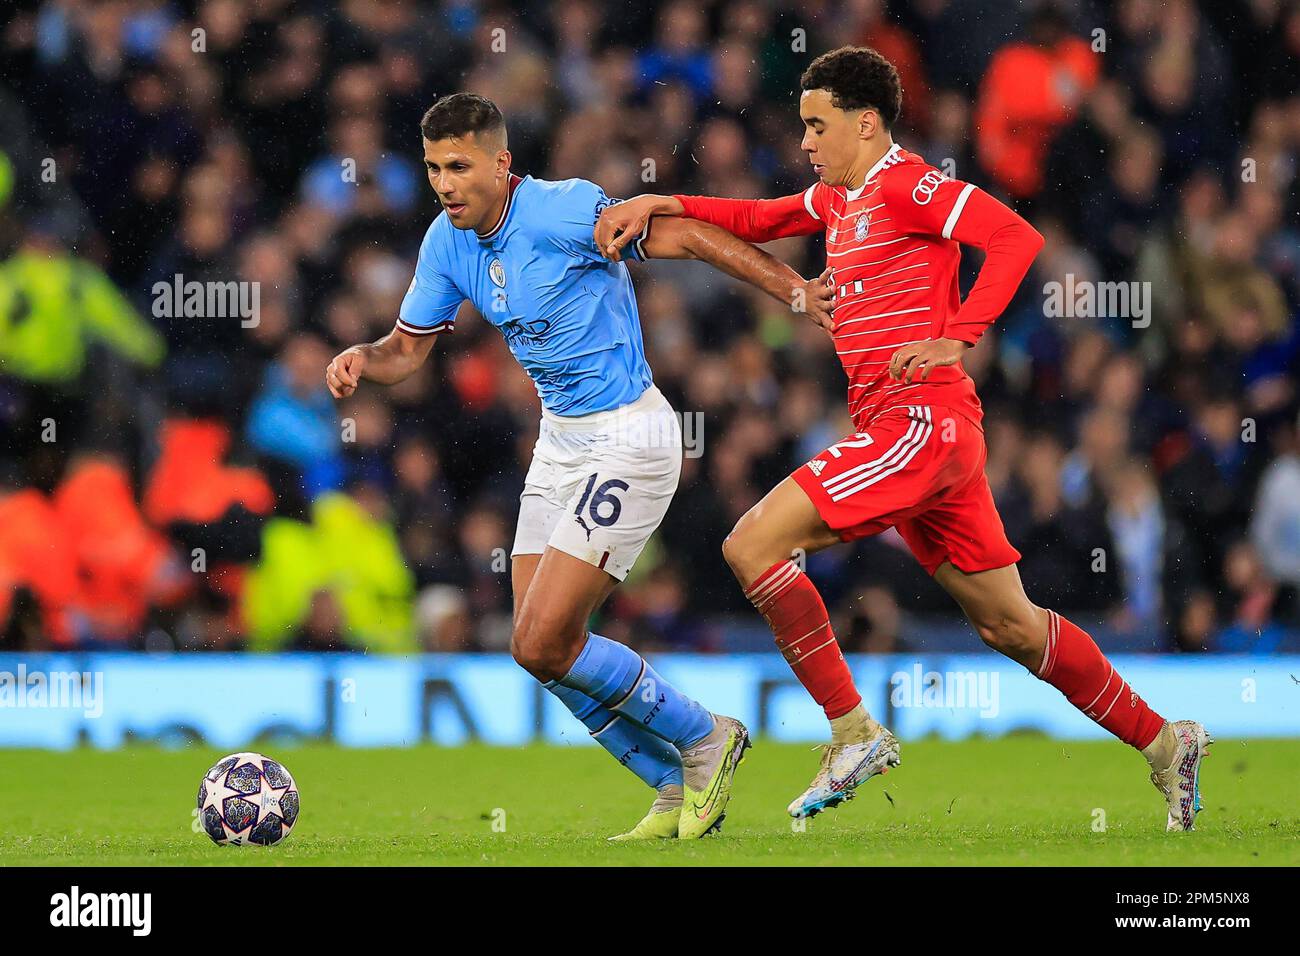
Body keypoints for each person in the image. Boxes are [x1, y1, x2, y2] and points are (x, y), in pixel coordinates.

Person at [597, 47, 1210, 831]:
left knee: (751, 545)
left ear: (866, 121)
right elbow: (759, 218)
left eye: (818, 126)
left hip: (919, 421)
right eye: (802, 127)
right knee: (1010, 626)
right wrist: (662, 199)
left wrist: (961, 336)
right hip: (927, 435)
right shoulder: (838, 199)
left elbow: (1014, 237)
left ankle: (852, 731)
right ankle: (1166, 743)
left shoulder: (906, 184)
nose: (808, 141)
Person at [326, 93, 833, 840]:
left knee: (541, 638)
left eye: (459, 166)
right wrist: (361, 360)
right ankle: (668, 783)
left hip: (631, 436)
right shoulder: (446, 242)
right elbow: (406, 351)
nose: (444, 183)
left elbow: (686, 238)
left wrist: (792, 289)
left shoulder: (566, 211)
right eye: (434, 167)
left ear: (501, 164)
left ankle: (704, 736)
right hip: (562, 444)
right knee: (536, 648)